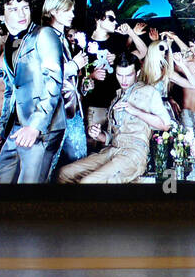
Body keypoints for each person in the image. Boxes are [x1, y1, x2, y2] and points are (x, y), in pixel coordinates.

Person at [0, 0, 66, 184]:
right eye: (13, 9)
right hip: (18, 126)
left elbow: (54, 82)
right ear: (1, 15)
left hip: (43, 128)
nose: (21, 14)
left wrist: (35, 126)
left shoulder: (45, 34)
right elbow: (10, 92)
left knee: (29, 192)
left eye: (24, 7)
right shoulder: (8, 44)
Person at [59, 54, 171, 183]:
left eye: (128, 75)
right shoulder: (116, 98)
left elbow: (165, 125)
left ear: (138, 73)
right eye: (119, 75)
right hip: (112, 149)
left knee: (88, 183)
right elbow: (111, 137)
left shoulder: (149, 91)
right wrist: (98, 134)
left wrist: (136, 111)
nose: (123, 80)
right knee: (64, 173)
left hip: (133, 153)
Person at [40, 0, 88, 171]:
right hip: (55, 113)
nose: (73, 15)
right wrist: (74, 66)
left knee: (77, 162)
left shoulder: (62, 38)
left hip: (71, 110)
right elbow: (43, 74)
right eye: (68, 10)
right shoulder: (45, 35)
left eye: (73, 10)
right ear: (54, 11)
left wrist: (81, 84)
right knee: (48, 164)